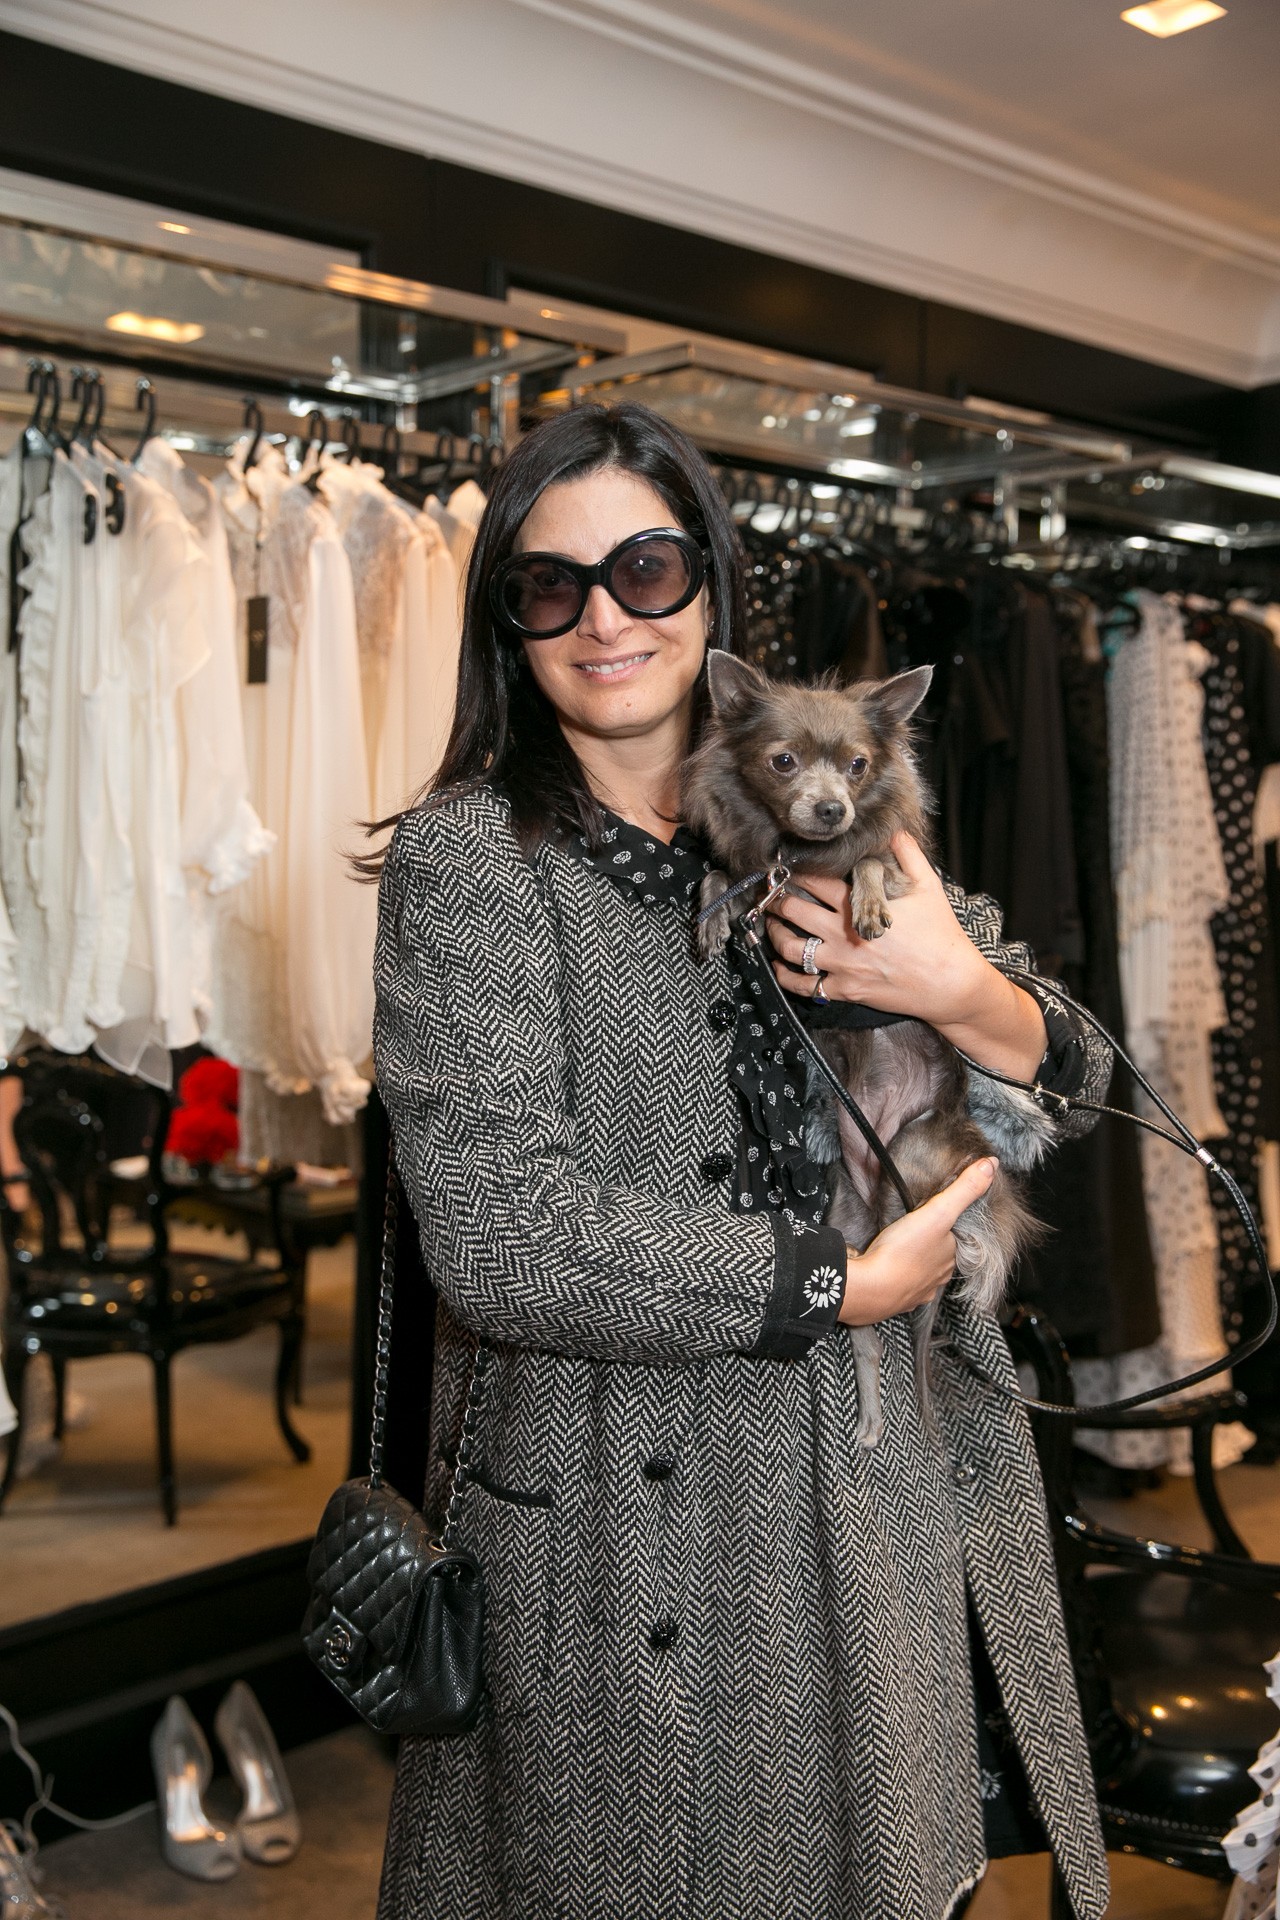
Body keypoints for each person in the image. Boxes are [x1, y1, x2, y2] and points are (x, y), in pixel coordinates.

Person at [371, 403, 1110, 1920]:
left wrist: (963, 993)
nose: (600, 618)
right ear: (507, 625)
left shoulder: (827, 815)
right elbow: (501, 1234)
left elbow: (1085, 1080)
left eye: (643, 569)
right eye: (547, 585)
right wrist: (836, 1278)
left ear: (708, 588)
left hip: (871, 1494)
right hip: (622, 1525)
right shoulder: (477, 866)